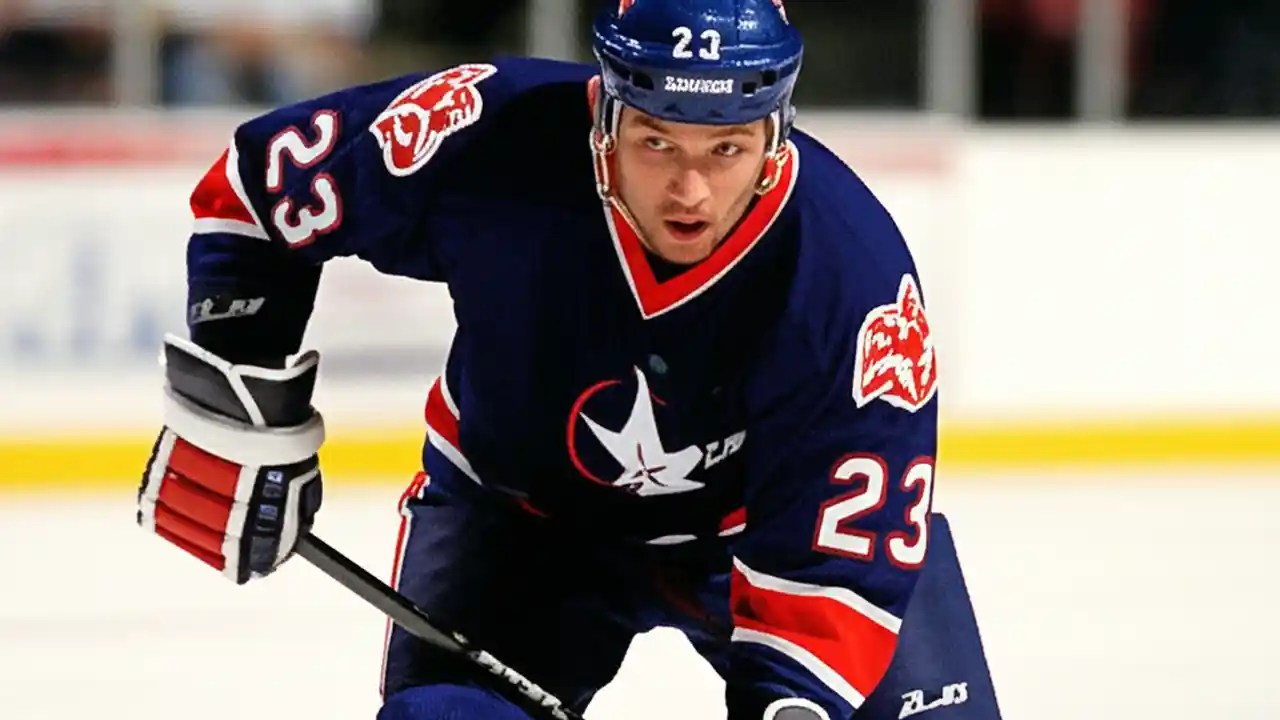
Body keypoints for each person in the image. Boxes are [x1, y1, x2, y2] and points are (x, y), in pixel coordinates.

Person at [135, 1, 1001, 718]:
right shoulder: (488, 133)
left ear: (777, 139)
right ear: (604, 113)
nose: (689, 191)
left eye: (725, 149)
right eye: (658, 142)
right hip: (521, 531)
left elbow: (833, 576)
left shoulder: (851, 277)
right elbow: (259, 187)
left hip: (755, 541)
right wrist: (238, 389)